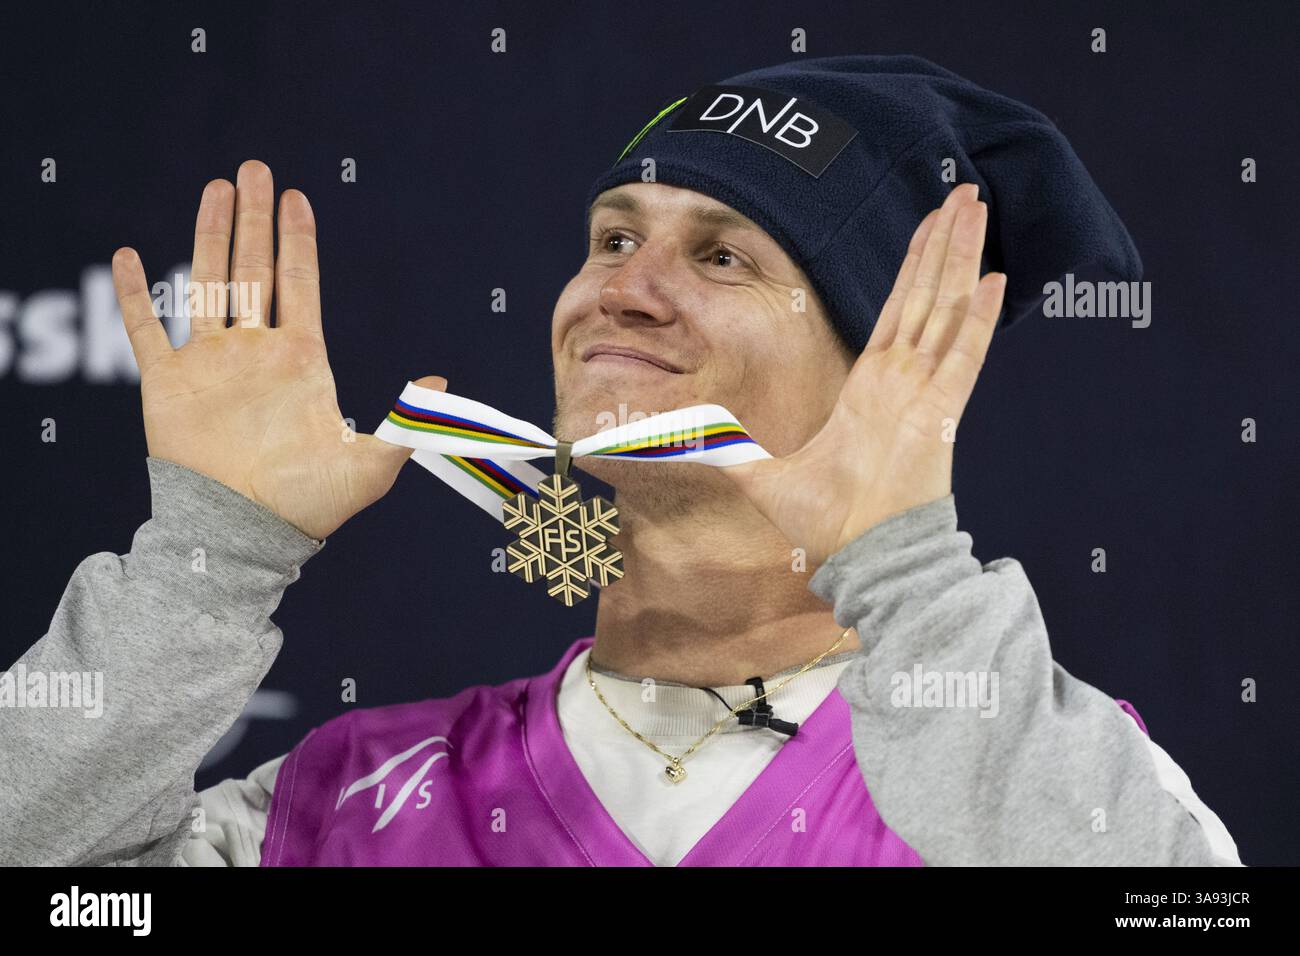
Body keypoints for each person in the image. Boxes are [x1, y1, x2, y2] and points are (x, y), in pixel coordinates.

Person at [0, 55, 1241, 866]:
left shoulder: (1038, 777)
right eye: (610, 236)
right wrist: (209, 559)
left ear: (881, 370)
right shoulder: (342, 799)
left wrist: (904, 569)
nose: (621, 290)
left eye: (721, 256)